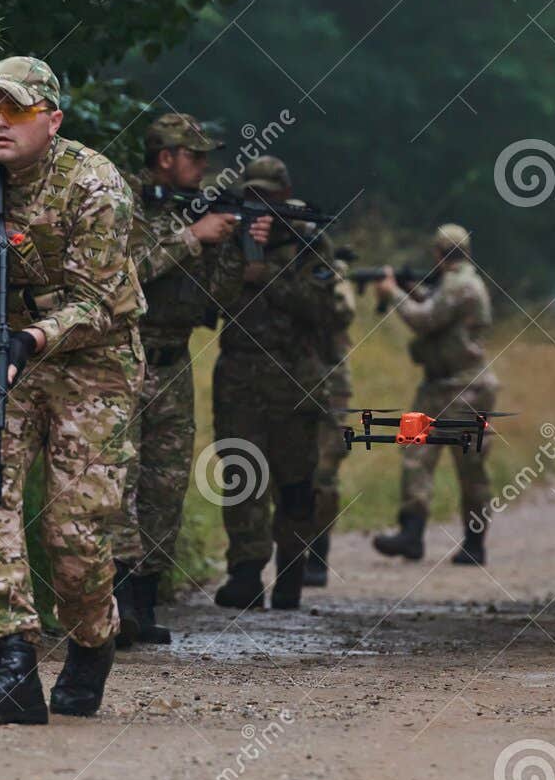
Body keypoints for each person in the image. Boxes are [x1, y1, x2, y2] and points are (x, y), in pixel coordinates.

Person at [0, 56, 144, 725]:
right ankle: (12, 665)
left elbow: (98, 304)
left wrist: (33, 340)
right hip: (3, 350)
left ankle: (92, 638)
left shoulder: (97, 184)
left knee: (74, 534)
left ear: (53, 119)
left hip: (92, 358)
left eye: (15, 109)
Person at [114, 113, 269, 644]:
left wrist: (237, 246)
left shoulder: (194, 209)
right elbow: (122, 273)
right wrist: (191, 236)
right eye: (195, 156)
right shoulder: (125, 201)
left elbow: (213, 300)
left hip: (173, 361)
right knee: (119, 483)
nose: (205, 167)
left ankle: (143, 601)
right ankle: (110, 604)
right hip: (122, 361)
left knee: (166, 484)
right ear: (165, 158)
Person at [211, 156, 351, 611]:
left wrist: (266, 274)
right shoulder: (231, 240)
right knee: (240, 474)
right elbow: (207, 297)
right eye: (252, 196)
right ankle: (246, 572)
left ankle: (291, 568)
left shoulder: (311, 242)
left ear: (284, 195)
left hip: (296, 378)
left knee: (295, 481)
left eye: (267, 197)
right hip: (239, 373)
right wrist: (236, 258)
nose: (260, 206)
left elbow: (322, 308)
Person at [372, 223, 498, 565]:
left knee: (468, 466)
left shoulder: (461, 284)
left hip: (464, 387)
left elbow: (425, 320)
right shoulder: (457, 284)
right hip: (437, 385)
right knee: (415, 456)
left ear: (438, 254)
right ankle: (411, 535)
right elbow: (440, 310)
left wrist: (393, 294)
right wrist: (414, 291)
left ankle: (473, 544)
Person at [305, 262, 358, 587]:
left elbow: (344, 311)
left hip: (330, 387)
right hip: (289, 381)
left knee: (324, 472)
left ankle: (318, 554)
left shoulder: (332, 276)